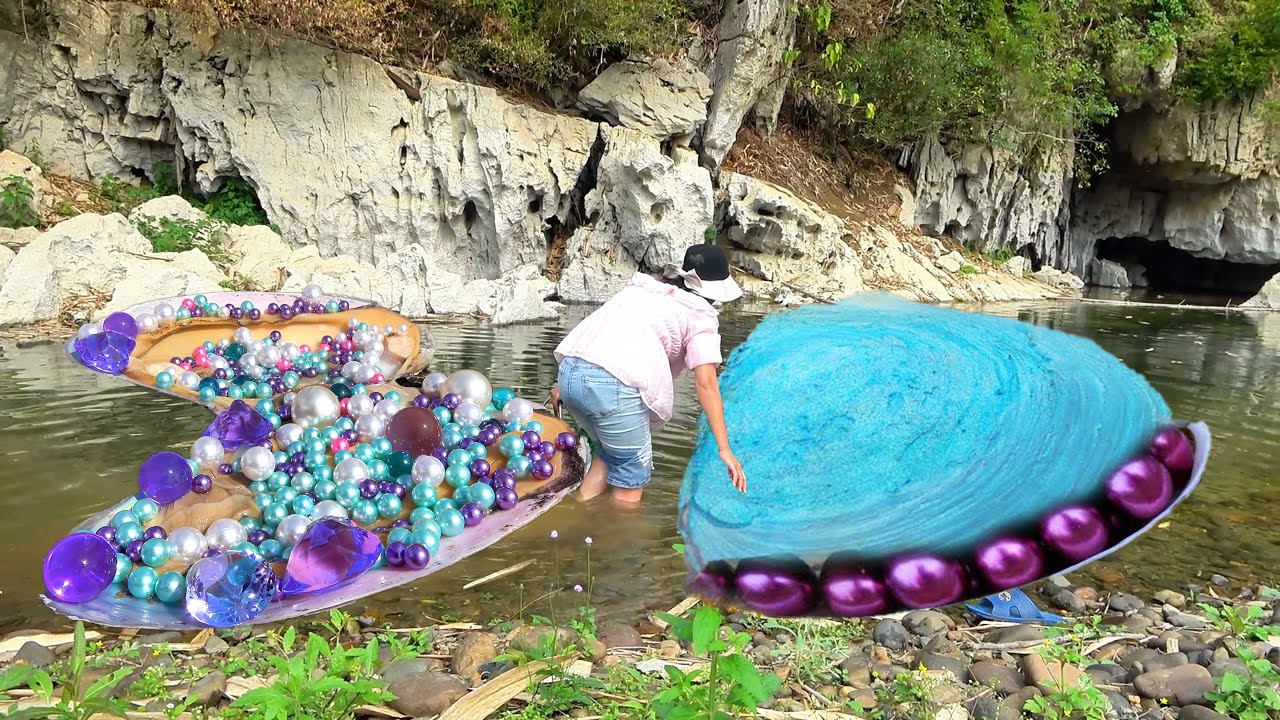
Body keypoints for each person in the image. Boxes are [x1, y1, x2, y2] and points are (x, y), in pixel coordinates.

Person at [549, 243, 749, 506]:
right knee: (632, 476)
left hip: (571, 369)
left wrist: (563, 383)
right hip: (613, 385)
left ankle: (579, 515)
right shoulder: (700, 315)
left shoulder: (643, 290)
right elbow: (707, 383)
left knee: (608, 455)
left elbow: (597, 333)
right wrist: (724, 449)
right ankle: (616, 541)